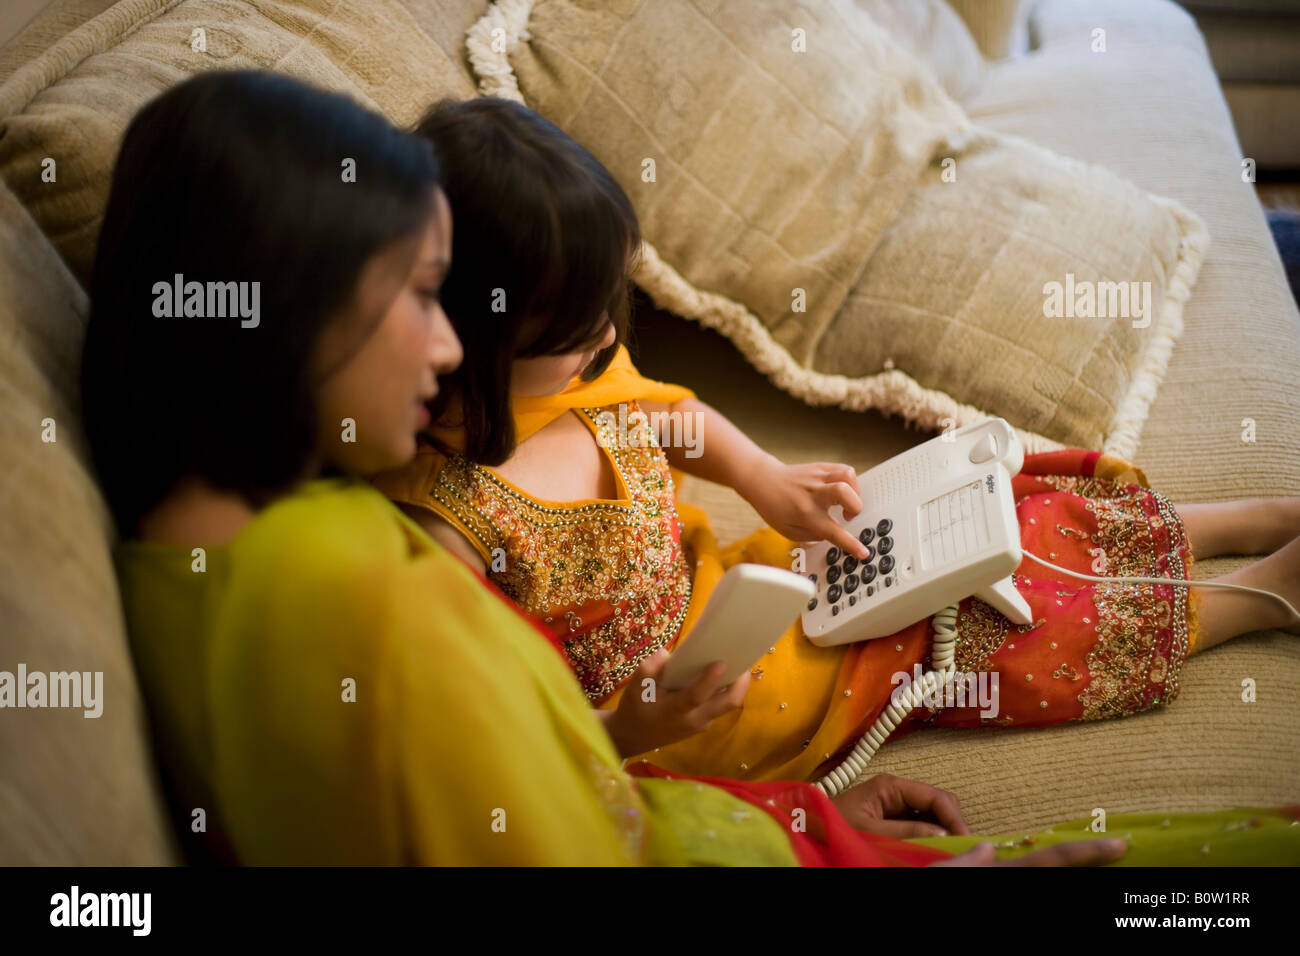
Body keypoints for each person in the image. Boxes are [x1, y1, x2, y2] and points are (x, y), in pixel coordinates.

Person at [85, 68, 1150, 866]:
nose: (448, 343)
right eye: (419, 295)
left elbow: (579, 798)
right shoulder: (380, 606)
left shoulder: (187, 567)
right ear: (292, 307)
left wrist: (791, 823)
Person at [372, 96, 1300, 786]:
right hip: (719, 714)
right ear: (475, 334)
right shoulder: (450, 533)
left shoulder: (573, 374)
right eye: (577, 328)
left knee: (971, 518)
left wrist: (765, 476)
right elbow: (503, 745)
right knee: (994, 624)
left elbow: (667, 416)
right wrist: (627, 730)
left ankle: (1215, 526)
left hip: (747, 588)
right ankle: (1260, 599)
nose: (609, 342)